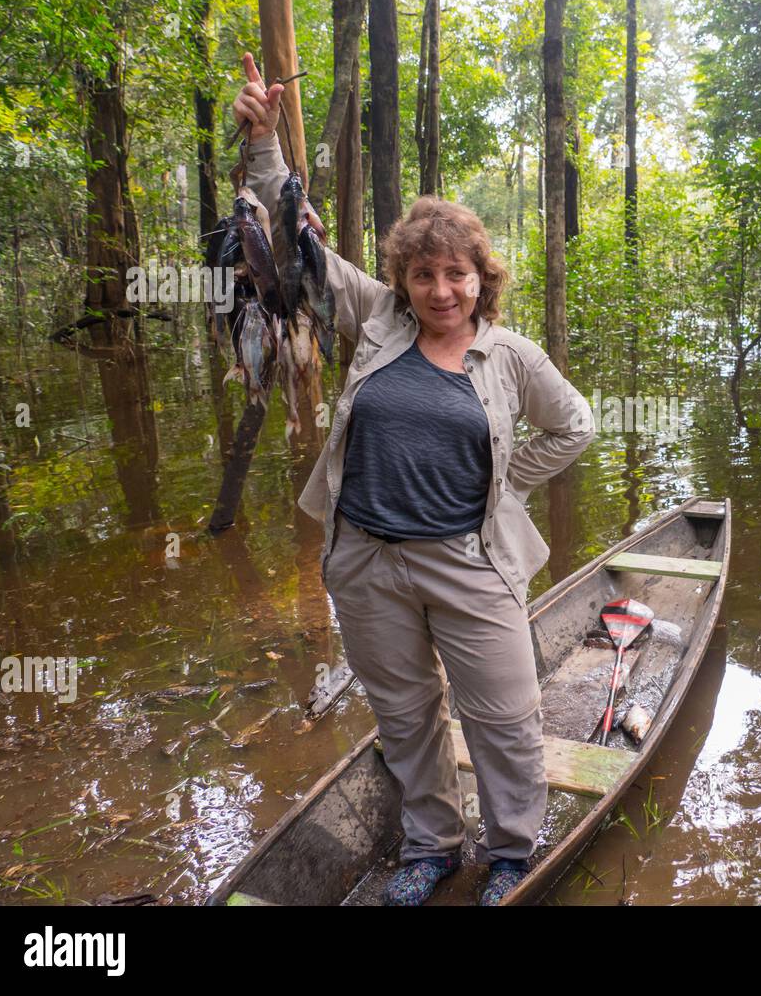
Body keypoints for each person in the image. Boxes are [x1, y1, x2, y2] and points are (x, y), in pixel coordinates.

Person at [231, 54, 595, 906]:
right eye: (424, 273)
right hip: (365, 559)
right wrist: (263, 142)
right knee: (404, 715)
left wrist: (503, 486)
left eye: (456, 273)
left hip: (469, 561)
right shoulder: (376, 320)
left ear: (482, 279)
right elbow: (296, 244)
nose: (441, 289)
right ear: (403, 277)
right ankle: (431, 843)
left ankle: (510, 848)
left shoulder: (510, 356)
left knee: (504, 720)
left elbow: (574, 424)